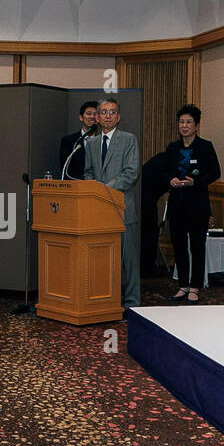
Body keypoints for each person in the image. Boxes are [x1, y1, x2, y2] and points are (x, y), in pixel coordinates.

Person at [82, 98, 141, 309]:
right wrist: (92, 187)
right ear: (97, 117)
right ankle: (109, 300)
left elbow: (131, 172)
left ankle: (132, 303)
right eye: (104, 112)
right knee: (105, 259)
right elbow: (88, 172)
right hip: (100, 210)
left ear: (118, 117)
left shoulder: (128, 139)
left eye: (112, 112)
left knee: (129, 260)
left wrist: (104, 189)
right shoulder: (91, 142)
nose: (108, 116)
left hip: (122, 207)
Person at [164, 105, 221, 302]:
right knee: (179, 247)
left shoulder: (205, 146)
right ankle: (183, 285)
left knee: (197, 247)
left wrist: (195, 182)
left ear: (196, 125)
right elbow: (164, 171)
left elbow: (215, 173)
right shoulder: (172, 148)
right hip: (176, 205)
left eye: (189, 122)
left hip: (197, 205)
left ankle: (195, 287)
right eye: (181, 122)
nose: (184, 125)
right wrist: (169, 179)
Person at [59, 101, 98, 180]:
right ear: (81, 117)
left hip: (99, 188)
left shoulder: (105, 141)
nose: (92, 117)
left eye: (95, 114)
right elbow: (65, 170)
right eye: (89, 113)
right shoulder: (69, 141)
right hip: (76, 187)